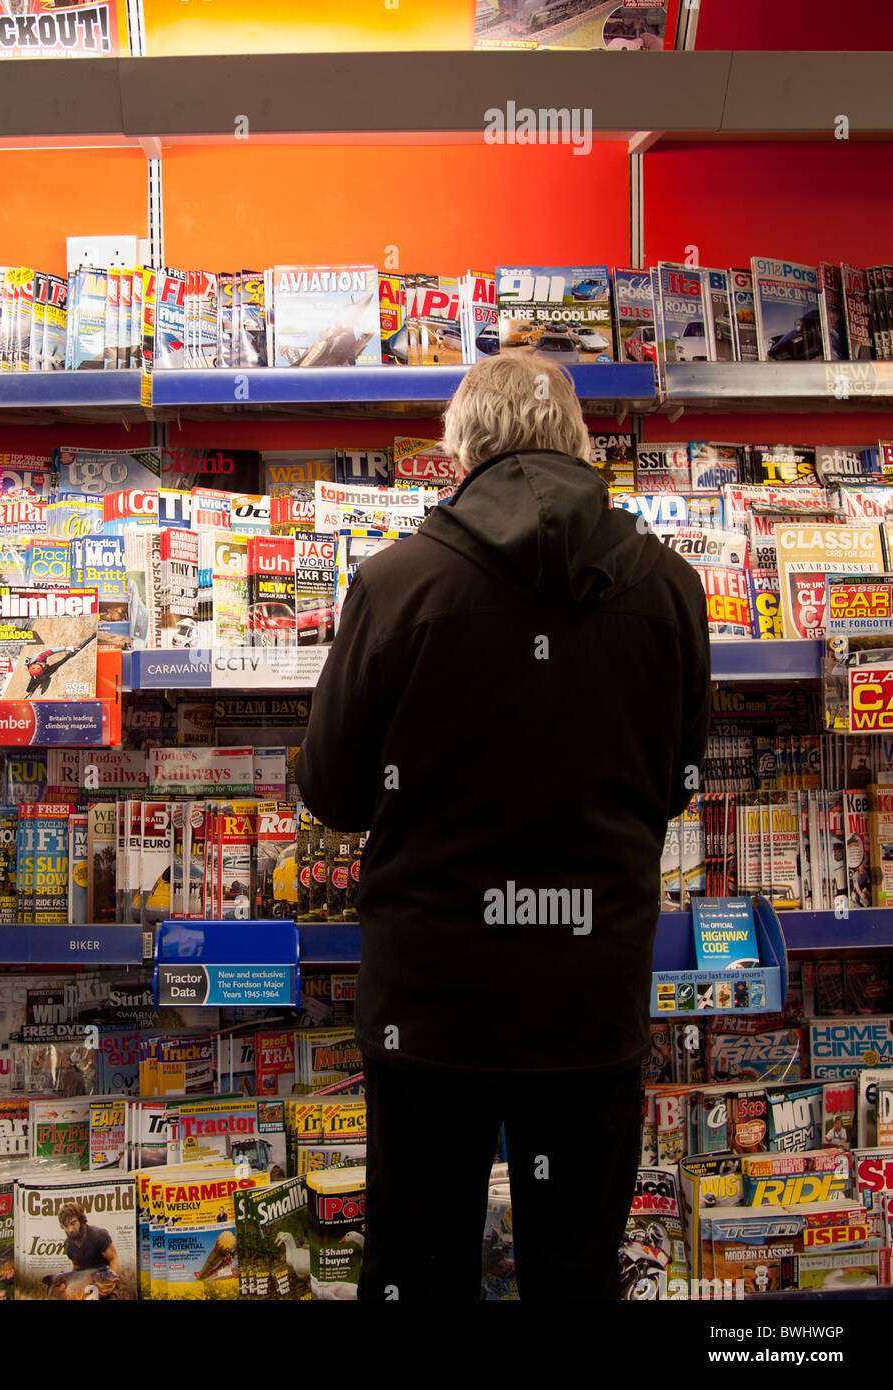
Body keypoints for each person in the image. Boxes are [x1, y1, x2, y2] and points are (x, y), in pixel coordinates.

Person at [295, 353, 710, 1303]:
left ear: (461, 451)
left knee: (420, 1266)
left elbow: (332, 791)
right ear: (578, 441)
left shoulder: (399, 583)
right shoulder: (669, 589)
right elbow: (677, 784)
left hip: (434, 1003)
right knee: (574, 1270)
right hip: (588, 998)